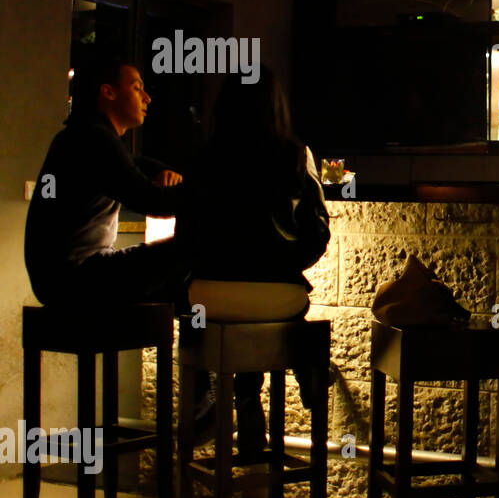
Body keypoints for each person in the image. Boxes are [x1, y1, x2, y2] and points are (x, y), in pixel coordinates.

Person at [176, 67, 330, 457]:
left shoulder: (202, 157)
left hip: (206, 298)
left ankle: (219, 403)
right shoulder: (296, 155)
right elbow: (317, 235)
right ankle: (304, 367)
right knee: (283, 310)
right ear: (276, 105)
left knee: (203, 309)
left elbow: (185, 238)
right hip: (277, 298)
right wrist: (285, 264)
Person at [25, 57, 188, 307]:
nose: (147, 97)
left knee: (176, 264)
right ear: (108, 92)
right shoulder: (94, 138)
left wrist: (162, 171)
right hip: (75, 279)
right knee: (193, 246)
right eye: (136, 87)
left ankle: (173, 320)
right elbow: (150, 200)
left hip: (58, 279)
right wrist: (209, 200)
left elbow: (133, 164)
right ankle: (192, 331)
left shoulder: (81, 135)